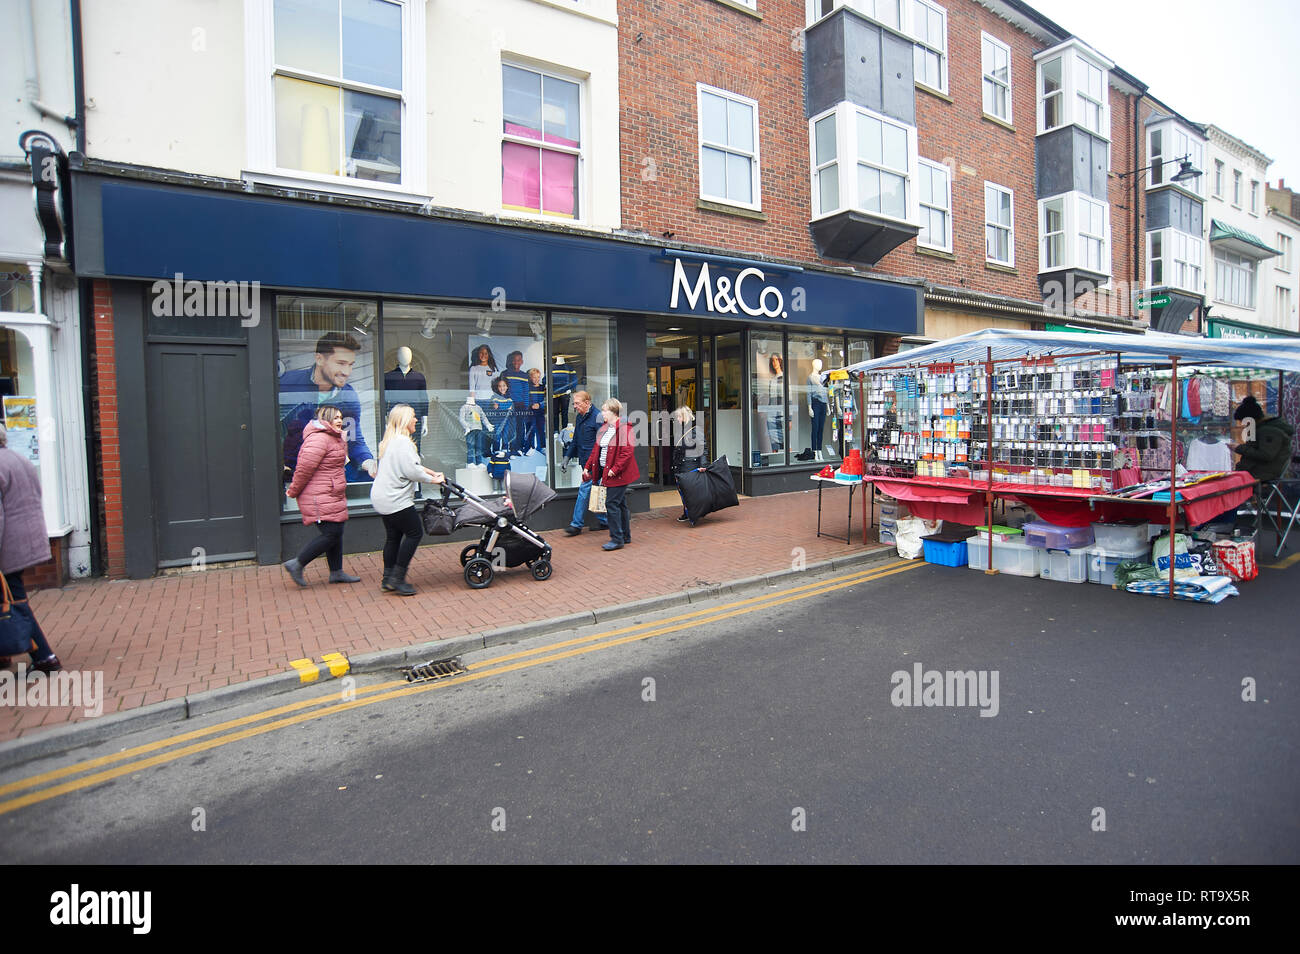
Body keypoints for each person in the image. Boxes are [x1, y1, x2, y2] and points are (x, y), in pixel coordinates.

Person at [0, 424, 60, 674]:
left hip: (9, 543)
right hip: (28, 538)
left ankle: (45, 656)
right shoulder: (18, 458)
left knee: (15, 601)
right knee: (13, 598)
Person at [280, 332, 377, 483]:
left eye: (350, 365)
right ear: (319, 359)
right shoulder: (287, 384)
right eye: (341, 363)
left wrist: (368, 461)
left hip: (330, 480)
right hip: (291, 478)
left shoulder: (348, 396)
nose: (347, 372)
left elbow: (353, 439)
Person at [283, 405, 363, 586]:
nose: (340, 421)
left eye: (341, 417)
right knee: (331, 533)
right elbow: (303, 470)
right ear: (326, 419)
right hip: (318, 495)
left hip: (331, 493)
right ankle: (297, 563)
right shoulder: (319, 439)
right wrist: (293, 490)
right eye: (335, 418)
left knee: (336, 531)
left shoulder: (335, 438)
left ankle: (336, 572)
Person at [370, 405, 445, 596]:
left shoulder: (390, 441)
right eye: (413, 417)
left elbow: (411, 465)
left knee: (393, 537)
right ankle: (398, 578)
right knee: (414, 533)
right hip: (395, 499)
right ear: (404, 420)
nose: (416, 420)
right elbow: (411, 471)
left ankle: (387, 579)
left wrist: (430, 471)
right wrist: (433, 479)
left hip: (382, 497)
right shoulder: (404, 443)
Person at [583, 398, 640, 551]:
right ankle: (625, 536)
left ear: (614, 412)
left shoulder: (624, 429)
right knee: (620, 504)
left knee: (611, 504)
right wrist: (588, 467)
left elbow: (627, 452)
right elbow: (596, 450)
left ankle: (617, 539)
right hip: (607, 473)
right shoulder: (604, 428)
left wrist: (614, 469)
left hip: (618, 475)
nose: (602, 413)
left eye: (604, 410)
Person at [563, 390, 608, 535]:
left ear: (587, 403)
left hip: (594, 463)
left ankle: (576, 525)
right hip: (585, 462)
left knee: (584, 491)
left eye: (577, 403)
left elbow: (602, 443)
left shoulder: (597, 417)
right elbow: (575, 440)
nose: (574, 406)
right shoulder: (579, 417)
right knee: (597, 490)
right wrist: (566, 457)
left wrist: (598, 463)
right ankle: (604, 521)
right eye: (574, 403)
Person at [1232, 395, 1294, 482]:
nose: (1243, 424)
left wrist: (1239, 448)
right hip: (1255, 470)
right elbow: (1253, 448)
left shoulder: (1270, 431)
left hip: (1262, 473)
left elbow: (1266, 455)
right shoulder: (1259, 429)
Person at [670, 406, 707, 525]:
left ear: (685, 417)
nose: (677, 419)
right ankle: (688, 512)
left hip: (690, 465)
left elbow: (702, 449)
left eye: (679, 416)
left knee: (688, 491)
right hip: (681, 465)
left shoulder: (695, 430)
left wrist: (703, 465)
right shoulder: (681, 429)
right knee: (684, 491)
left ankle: (692, 513)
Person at [502, 351, 531, 453]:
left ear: (521, 362)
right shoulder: (505, 373)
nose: (516, 362)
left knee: (520, 426)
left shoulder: (524, 375)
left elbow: (526, 391)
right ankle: (509, 447)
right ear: (511, 361)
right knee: (509, 427)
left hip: (521, 405)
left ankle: (519, 447)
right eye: (514, 360)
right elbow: (502, 389)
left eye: (518, 360)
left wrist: (526, 406)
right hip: (509, 405)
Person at [527, 368, 547, 452]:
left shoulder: (543, 388)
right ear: (530, 378)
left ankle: (542, 446)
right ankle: (530, 447)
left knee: (541, 429)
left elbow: (547, 400)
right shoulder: (528, 388)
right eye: (534, 377)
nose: (537, 379)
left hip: (540, 412)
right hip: (530, 412)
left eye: (538, 377)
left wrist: (540, 405)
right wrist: (531, 405)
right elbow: (525, 399)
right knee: (530, 429)